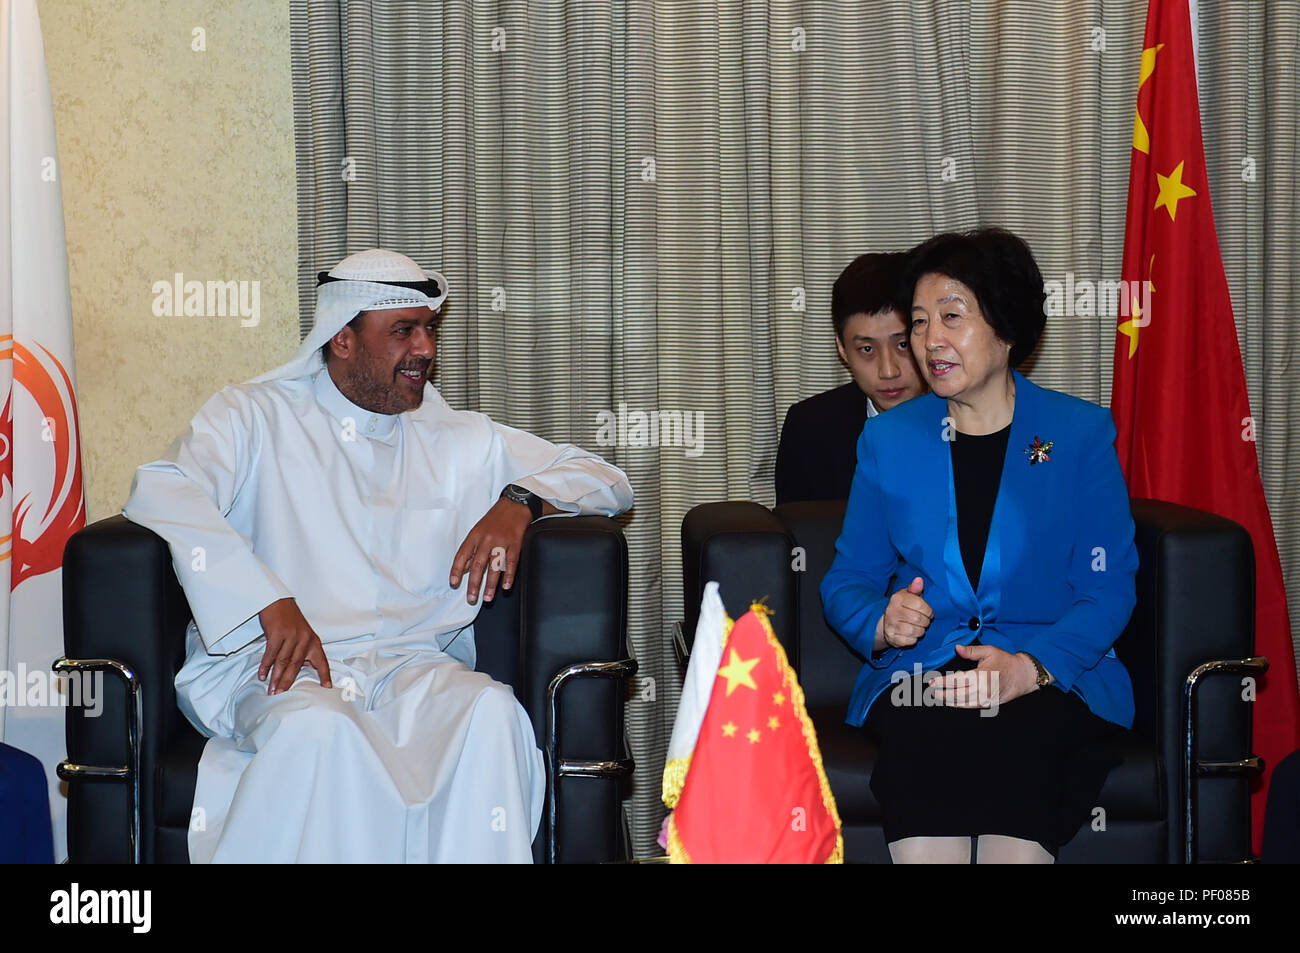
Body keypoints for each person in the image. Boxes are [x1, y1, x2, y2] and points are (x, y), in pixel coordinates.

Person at [122, 249, 633, 863]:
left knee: (491, 714)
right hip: (282, 667)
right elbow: (162, 488)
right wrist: (265, 598)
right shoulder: (254, 417)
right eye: (403, 331)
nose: (426, 350)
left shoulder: (459, 439)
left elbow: (607, 480)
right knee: (319, 729)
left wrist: (520, 501)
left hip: (409, 668)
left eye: (428, 329)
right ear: (341, 339)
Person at [820, 228, 1136, 864]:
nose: (929, 339)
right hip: (926, 677)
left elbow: (1108, 588)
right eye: (919, 321)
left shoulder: (1078, 434)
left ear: (1008, 325)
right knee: (923, 736)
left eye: (952, 317)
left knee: (1021, 744)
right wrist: (880, 621)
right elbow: (846, 579)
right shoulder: (890, 441)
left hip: (1047, 678)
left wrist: (1028, 669)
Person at [775, 251, 927, 504]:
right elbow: (799, 534)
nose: (889, 371)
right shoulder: (809, 429)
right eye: (867, 349)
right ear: (842, 349)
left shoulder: (976, 418)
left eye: (902, 345)